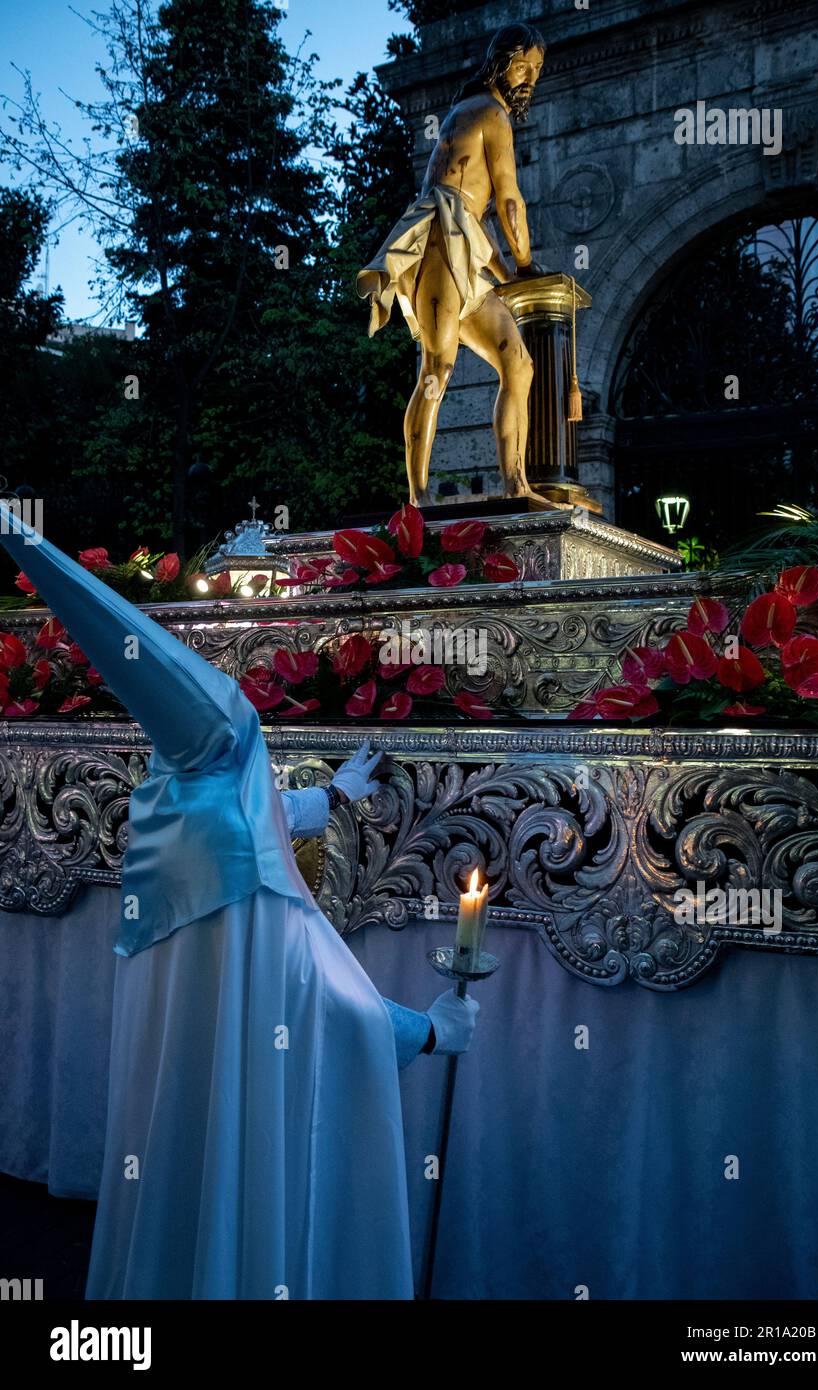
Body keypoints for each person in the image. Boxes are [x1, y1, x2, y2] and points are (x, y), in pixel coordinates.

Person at [0, 499, 479, 1299]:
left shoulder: (172, 806)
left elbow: (246, 806)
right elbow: (325, 1002)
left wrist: (334, 794)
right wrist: (430, 1031)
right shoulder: (242, 860)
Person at [357, 22, 548, 506]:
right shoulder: (491, 114)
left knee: (517, 363)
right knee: (437, 369)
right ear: (500, 61)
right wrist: (526, 263)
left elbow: (478, 219)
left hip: (465, 249)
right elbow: (508, 204)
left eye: (536, 70)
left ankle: (516, 486)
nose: (528, 77)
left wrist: (509, 277)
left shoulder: (471, 112)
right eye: (522, 65)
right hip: (441, 244)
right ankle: (418, 500)